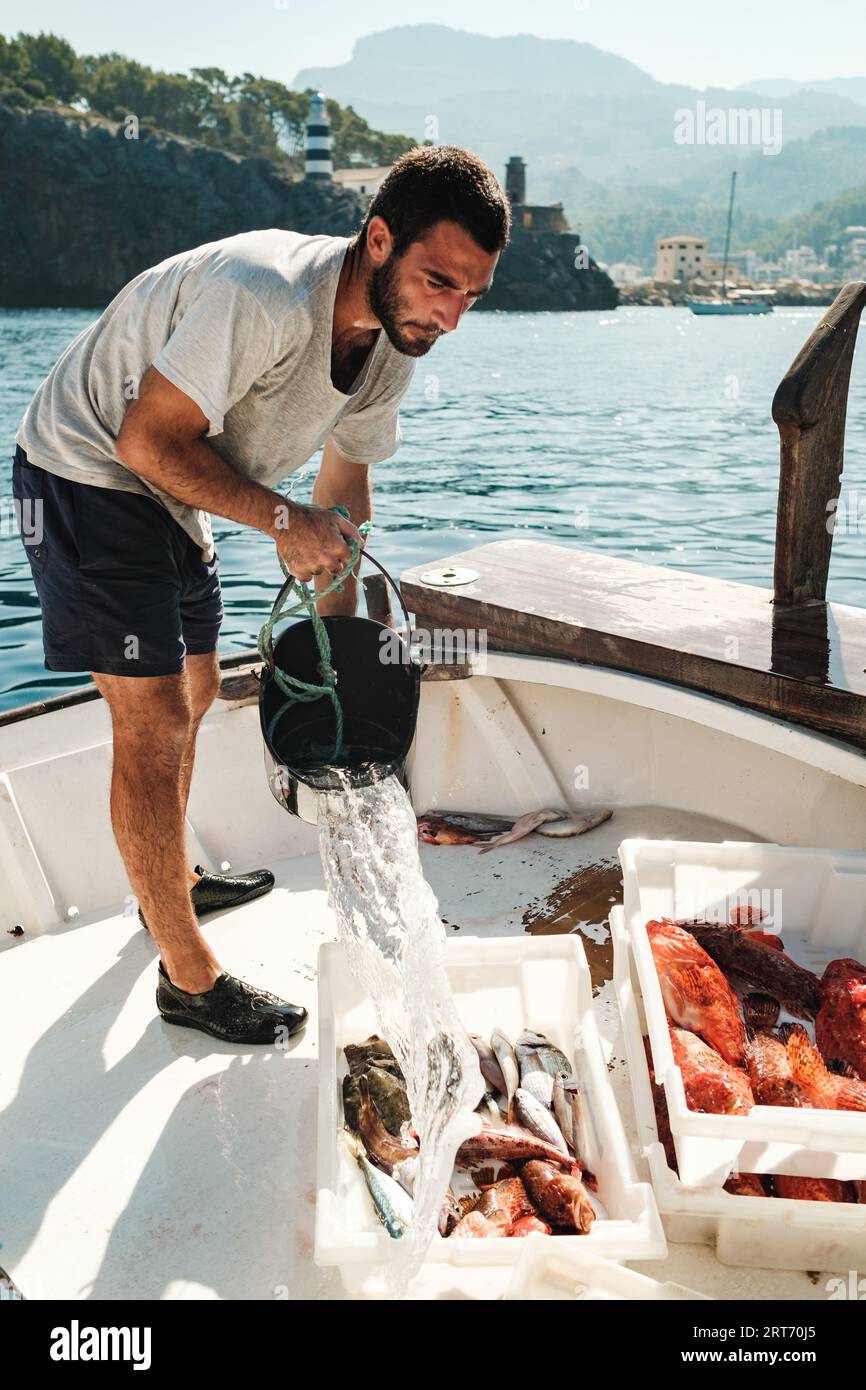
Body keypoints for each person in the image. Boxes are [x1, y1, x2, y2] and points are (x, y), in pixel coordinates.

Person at [13, 144, 510, 1043]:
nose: (450, 315)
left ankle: (173, 877)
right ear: (379, 237)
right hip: (91, 466)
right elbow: (147, 442)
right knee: (156, 719)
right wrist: (284, 525)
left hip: (181, 480)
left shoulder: (395, 343)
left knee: (200, 691)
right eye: (440, 280)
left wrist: (343, 647)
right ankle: (188, 978)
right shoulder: (265, 294)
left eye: (471, 295)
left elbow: (342, 494)